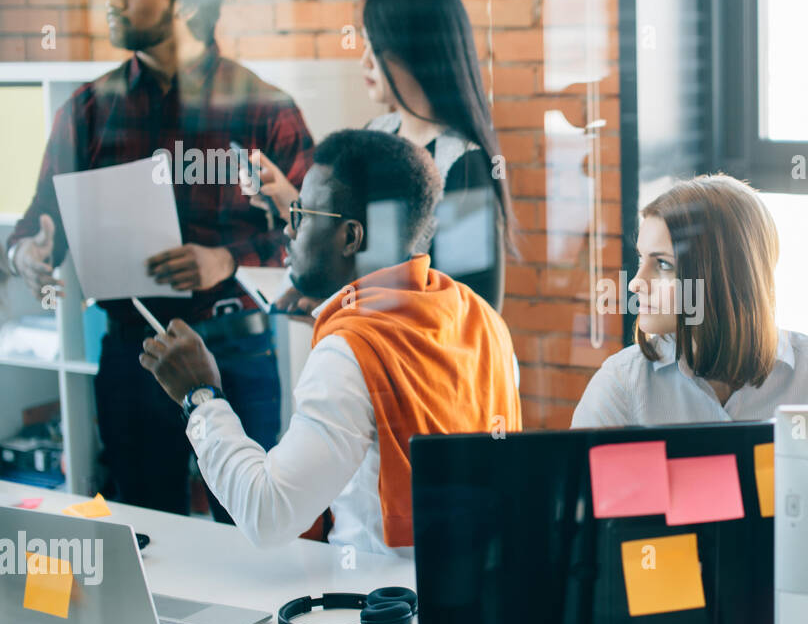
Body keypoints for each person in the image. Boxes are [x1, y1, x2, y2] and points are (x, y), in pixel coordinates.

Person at [3, 0, 313, 524]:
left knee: (255, 526)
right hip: (133, 353)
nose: (112, 0)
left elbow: (313, 235)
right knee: (144, 531)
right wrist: (29, 254)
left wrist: (228, 257)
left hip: (237, 348)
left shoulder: (262, 108)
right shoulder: (89, 112)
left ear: (187, 1)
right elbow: (35, 227)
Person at [138, 130, 522, 557]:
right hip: (473, 586)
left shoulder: (351, 353)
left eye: (301, 213)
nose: (288, 228)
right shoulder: (479, 316)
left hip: (380, 604)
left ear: (351, 237)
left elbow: (269, 516)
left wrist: (200, 395)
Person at [251, 0, 515, 312]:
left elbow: (473, 311)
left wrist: (342, 308)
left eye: (376, 48)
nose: (364, 61)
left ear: (417, 51)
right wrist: (288, 198)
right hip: (363, 343)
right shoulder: (378, 133)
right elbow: (357, 249)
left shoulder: (463, 164)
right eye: (364, 45)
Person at [571, 174, 808, 427]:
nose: (635, 283)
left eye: (663, 265)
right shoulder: (622, 385)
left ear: (722, 277)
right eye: (641, 258)